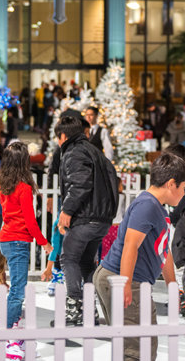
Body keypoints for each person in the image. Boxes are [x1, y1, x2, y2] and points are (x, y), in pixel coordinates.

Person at [93, 152, 185, 361]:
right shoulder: (147, 205)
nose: (184, 194)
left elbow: (163, 250)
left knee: (139, 345)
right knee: (136, 349)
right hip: (124, 278)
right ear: (171, 184)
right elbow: (131, 245)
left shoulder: (158, 209)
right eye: (183, 188)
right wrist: (126, 284)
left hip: (129, 279)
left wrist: (172, 284)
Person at [56, 115, 118, 325]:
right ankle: (89, 310)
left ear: (63, 136)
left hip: (86, 217)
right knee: (85, 262)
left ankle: (75, 310)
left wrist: (67, 210)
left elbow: (80, 183)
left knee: (68, 258)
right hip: (102, 218)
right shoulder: (95, 151)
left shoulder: (74, 152)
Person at [0, 142, 53, 331]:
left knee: (15, 288)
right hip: (18, 241)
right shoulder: (24, 188)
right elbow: (30, 221)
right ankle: (8, 328)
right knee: (18, 291)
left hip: (6, 238)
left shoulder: (3, 183)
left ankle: (10, 323)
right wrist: (44, 243)